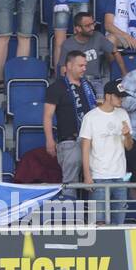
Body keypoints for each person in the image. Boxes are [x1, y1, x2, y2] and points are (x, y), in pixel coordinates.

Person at [79, 81, 133, 225]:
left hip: (120, 176)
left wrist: (127, 135)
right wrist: (87, 176)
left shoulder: (123, 114)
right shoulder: (90, 117)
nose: (122, 99)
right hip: (98, 176)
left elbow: (129, 147)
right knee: (98, 223)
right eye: (119, 96)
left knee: (118, 223)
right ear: (108, 96)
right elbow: (85, 148)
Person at [43, 51, 96, 189]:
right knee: (70, 183)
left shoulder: (88, 86)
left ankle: (92, 210)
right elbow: (48, 116)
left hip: (91, 141)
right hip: (70, 142)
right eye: (81, 65)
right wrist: (49, 140)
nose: (84, 68)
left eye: (85, 65)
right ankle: (71, 209)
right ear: (69, 66)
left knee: (93, 180)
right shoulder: (56, 87)